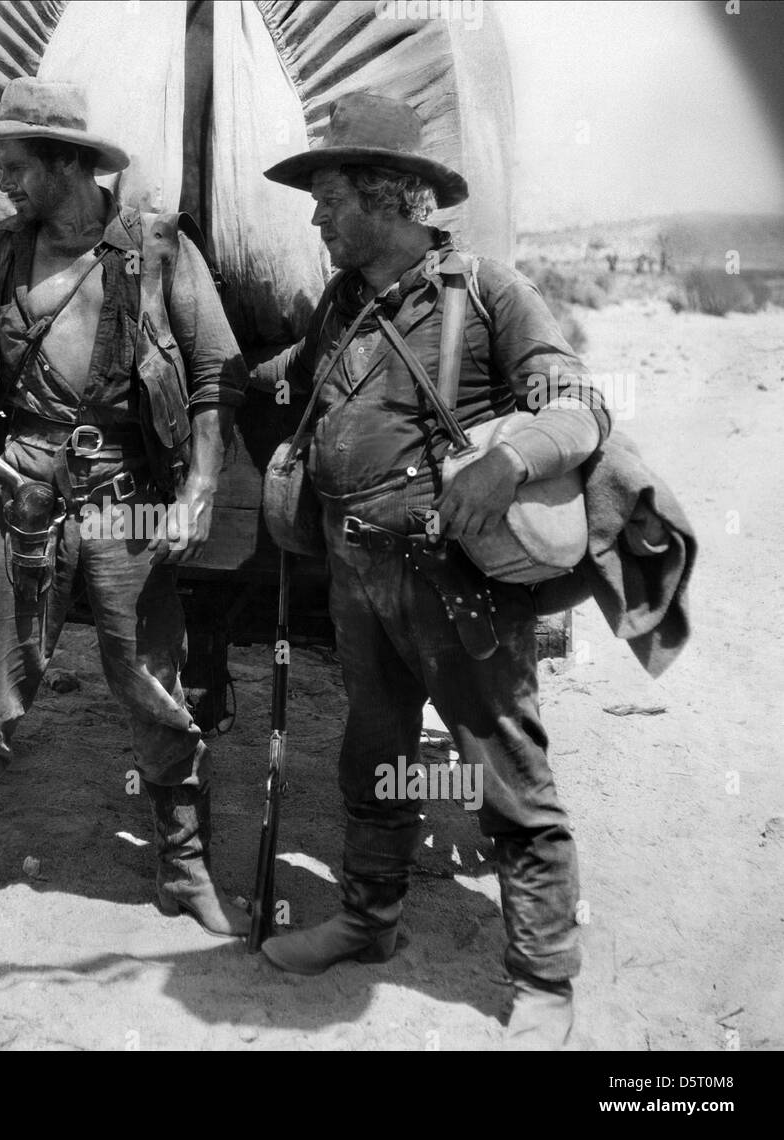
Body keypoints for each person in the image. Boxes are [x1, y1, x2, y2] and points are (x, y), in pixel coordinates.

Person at [252, 93, 610, 1048]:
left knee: (503, 768)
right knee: (373, 750)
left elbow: (578, 407)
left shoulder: (492, 292)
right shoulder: (343, 303)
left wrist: (508, 461)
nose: (317, 218)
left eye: (330, 198)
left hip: (456, 588)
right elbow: (314, 373)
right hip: (358, 577)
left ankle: (542, 977)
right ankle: (366, 922)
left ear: (390, 197)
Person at [0, 78, 249, 957]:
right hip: (24, 496)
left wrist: (200, 488)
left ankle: (182, 866)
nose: (4, 185)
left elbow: (213, 377)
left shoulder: (160, 253)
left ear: (68, 163)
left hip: (128, 504)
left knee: (154, 687)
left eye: (17, 167)